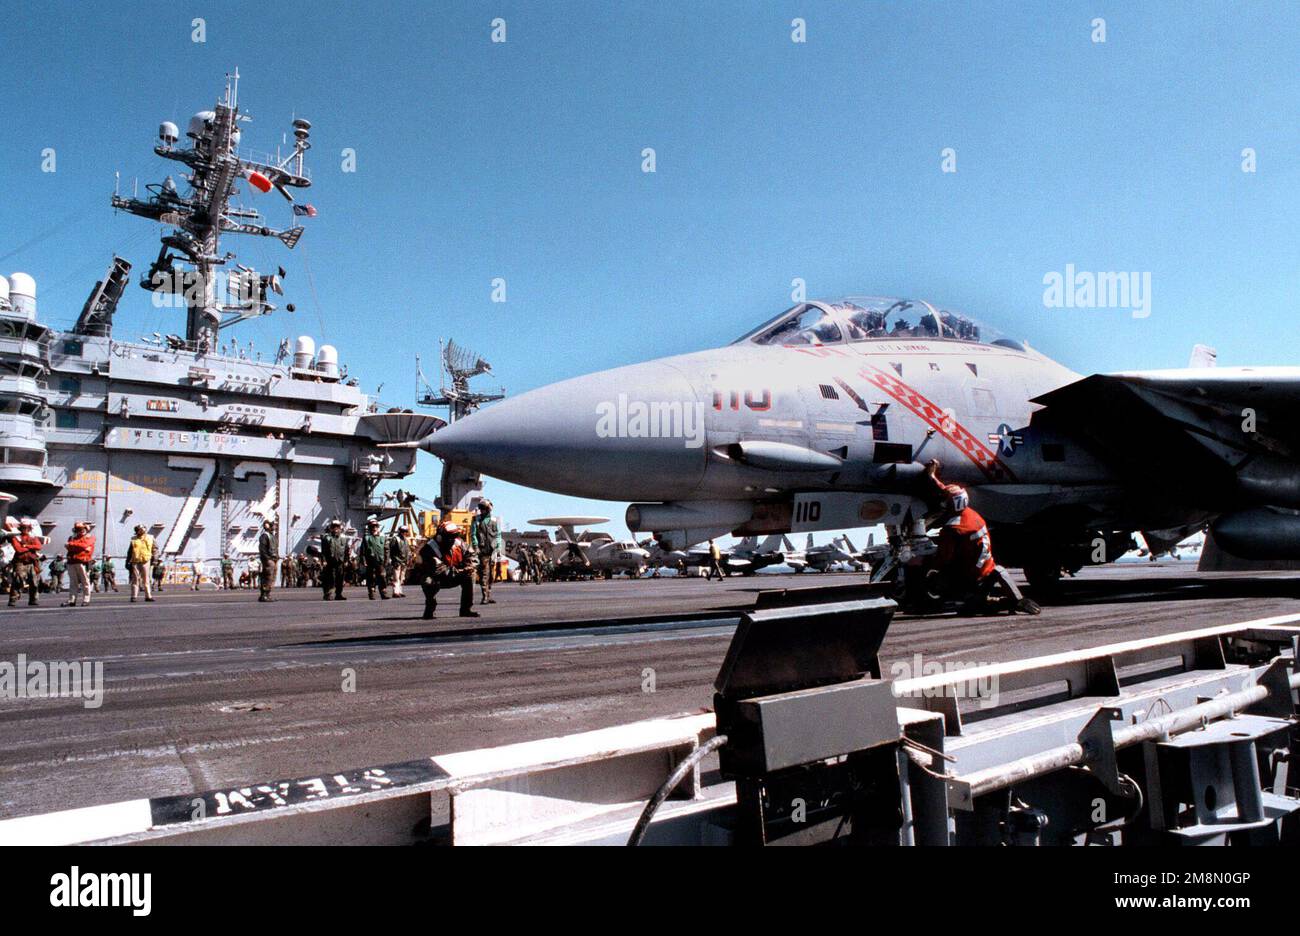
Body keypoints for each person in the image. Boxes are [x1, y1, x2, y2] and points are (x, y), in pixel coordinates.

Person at [933, 484, 1040, 616]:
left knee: (967, 608)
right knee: (998, 569)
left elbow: (943, 558)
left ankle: (1003, 604)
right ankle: (1019, 600)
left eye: (945, 502)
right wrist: (933, 476)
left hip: (970, 578)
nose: (942, 504)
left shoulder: (953, 528)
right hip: (988, 570)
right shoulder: (974, 515)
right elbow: (951, 493)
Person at [417, 520, 477, 619]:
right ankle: (430, 609)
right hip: (438, 578)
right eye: (450, 536)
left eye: (455, 536)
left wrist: (470, 565)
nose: (453, 539)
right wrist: (460, 571)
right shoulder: (429, 548)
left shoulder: (459, 543)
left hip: (455, 575)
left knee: (470, 576)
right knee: (427, 581)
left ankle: (466, 610)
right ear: (440, 536)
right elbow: (438, 569)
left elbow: (472, 555)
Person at [469, 499, 503, 605]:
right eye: (480, 508)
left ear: (488, 509)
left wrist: (498, 549)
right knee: (484, 573)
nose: (481, 510)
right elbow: (473, 534)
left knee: (491, 575)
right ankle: (484, 596)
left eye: (483, 508)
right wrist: (476, 546)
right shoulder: (476, 520)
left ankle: (489, 594)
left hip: (492, 551)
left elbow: (498, 535)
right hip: (482, 550)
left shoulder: (494, 520)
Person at [8, 520, 45, 607]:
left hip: (32, 562)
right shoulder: (16, 538)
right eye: (24, 528)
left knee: (34, 581)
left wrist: (26, 546)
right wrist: (31, 548)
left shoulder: (33, 537)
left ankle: (33, 599)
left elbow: (39, 546)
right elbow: (18, 549)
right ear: (20, 528)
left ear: (30, 529)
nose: (26, 529)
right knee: (18, 579)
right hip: (20, 562)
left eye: (27, 528)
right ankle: (13, 598)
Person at [64, 521, 95, 608]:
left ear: (85, 529)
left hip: (83, 562)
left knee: (85, 581)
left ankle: (86, 599)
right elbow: (71, 547)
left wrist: (72, 545)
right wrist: (77, 546)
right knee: (73, 582)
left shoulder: (90, 537)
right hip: (72, 561)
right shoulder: (72, 538)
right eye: (78, 529)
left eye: (81, 529)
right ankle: (72, 600)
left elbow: (84, 545)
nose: (80, 531)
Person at [361, 518, 390, 600]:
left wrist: (386, 560)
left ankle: (383, 592)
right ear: (369, 527)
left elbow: (387, 550)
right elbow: (363, 550)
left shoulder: (383, 537)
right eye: (372, 526)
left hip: (380, 561)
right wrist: (363, 560)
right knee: (371, 577)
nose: (374, 528)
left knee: (382, 576)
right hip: (370, 561)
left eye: (375, 526)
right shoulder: (366, 538)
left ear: (378, 527)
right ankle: (371, 592)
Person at [320, 519, 349, 600]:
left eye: (337, 527)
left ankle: (339, 594)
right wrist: (324, 560)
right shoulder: (326, 538)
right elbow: (323, 551)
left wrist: (346, 560)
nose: (336, 528)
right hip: (329, 562)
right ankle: (328, 594)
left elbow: (346, 550)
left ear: (340, 528)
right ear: (331, 528)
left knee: (340, 578)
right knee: (329, 578)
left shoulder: (343, 538)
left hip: (340, 562)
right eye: (334, 527)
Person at [126, 524, 156, 603]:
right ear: (137, 531)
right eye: (140, 529)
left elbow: (155, 549)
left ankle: (148, 596)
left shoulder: (150, 537)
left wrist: (155, 559)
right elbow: (130, 551)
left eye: (143, 528)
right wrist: (127, 561)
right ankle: (134, 596)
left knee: (146, 579)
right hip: (135, 560)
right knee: (135, 579)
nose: (142, 530)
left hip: (146, 560)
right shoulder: (133, 539)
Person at [258, 519, 279, 602]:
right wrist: (267, 559)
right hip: (269, 559)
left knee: (272, 577)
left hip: (274, 559)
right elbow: (262, 549)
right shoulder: (265, 536)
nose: (274, 527)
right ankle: (264, 595)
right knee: (268, 576)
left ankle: (268, 594)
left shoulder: (272, 536)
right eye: (272, 525)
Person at [389, 526, 410, 598]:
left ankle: (400, 591)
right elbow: (391, 550)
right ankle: (395, 592)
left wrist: (408, 559)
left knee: (402, 577)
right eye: (403, 531)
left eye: (406, 531)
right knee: (396, 577)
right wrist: (393, 559)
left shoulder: (405, 540)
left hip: (404, 561)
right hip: (397, 561)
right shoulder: (395, 539)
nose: (405, 533)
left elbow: (407, 550)